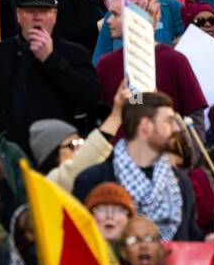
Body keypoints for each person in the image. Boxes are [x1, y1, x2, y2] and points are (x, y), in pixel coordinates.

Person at [0, 0, 102, 147]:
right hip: (9, 153)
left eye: (44, 11)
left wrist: (52, 60)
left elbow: (90, 99)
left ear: (55, 15)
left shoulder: (75, 53)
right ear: (18, 15)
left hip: (59, 153)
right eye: (30, 11)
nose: (37, 17)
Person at [72, 91, 204, 240]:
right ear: (146, 126)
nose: (177, 129)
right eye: (169, 121)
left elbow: (191, 238)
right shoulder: (93, 181)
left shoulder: (180, 182)